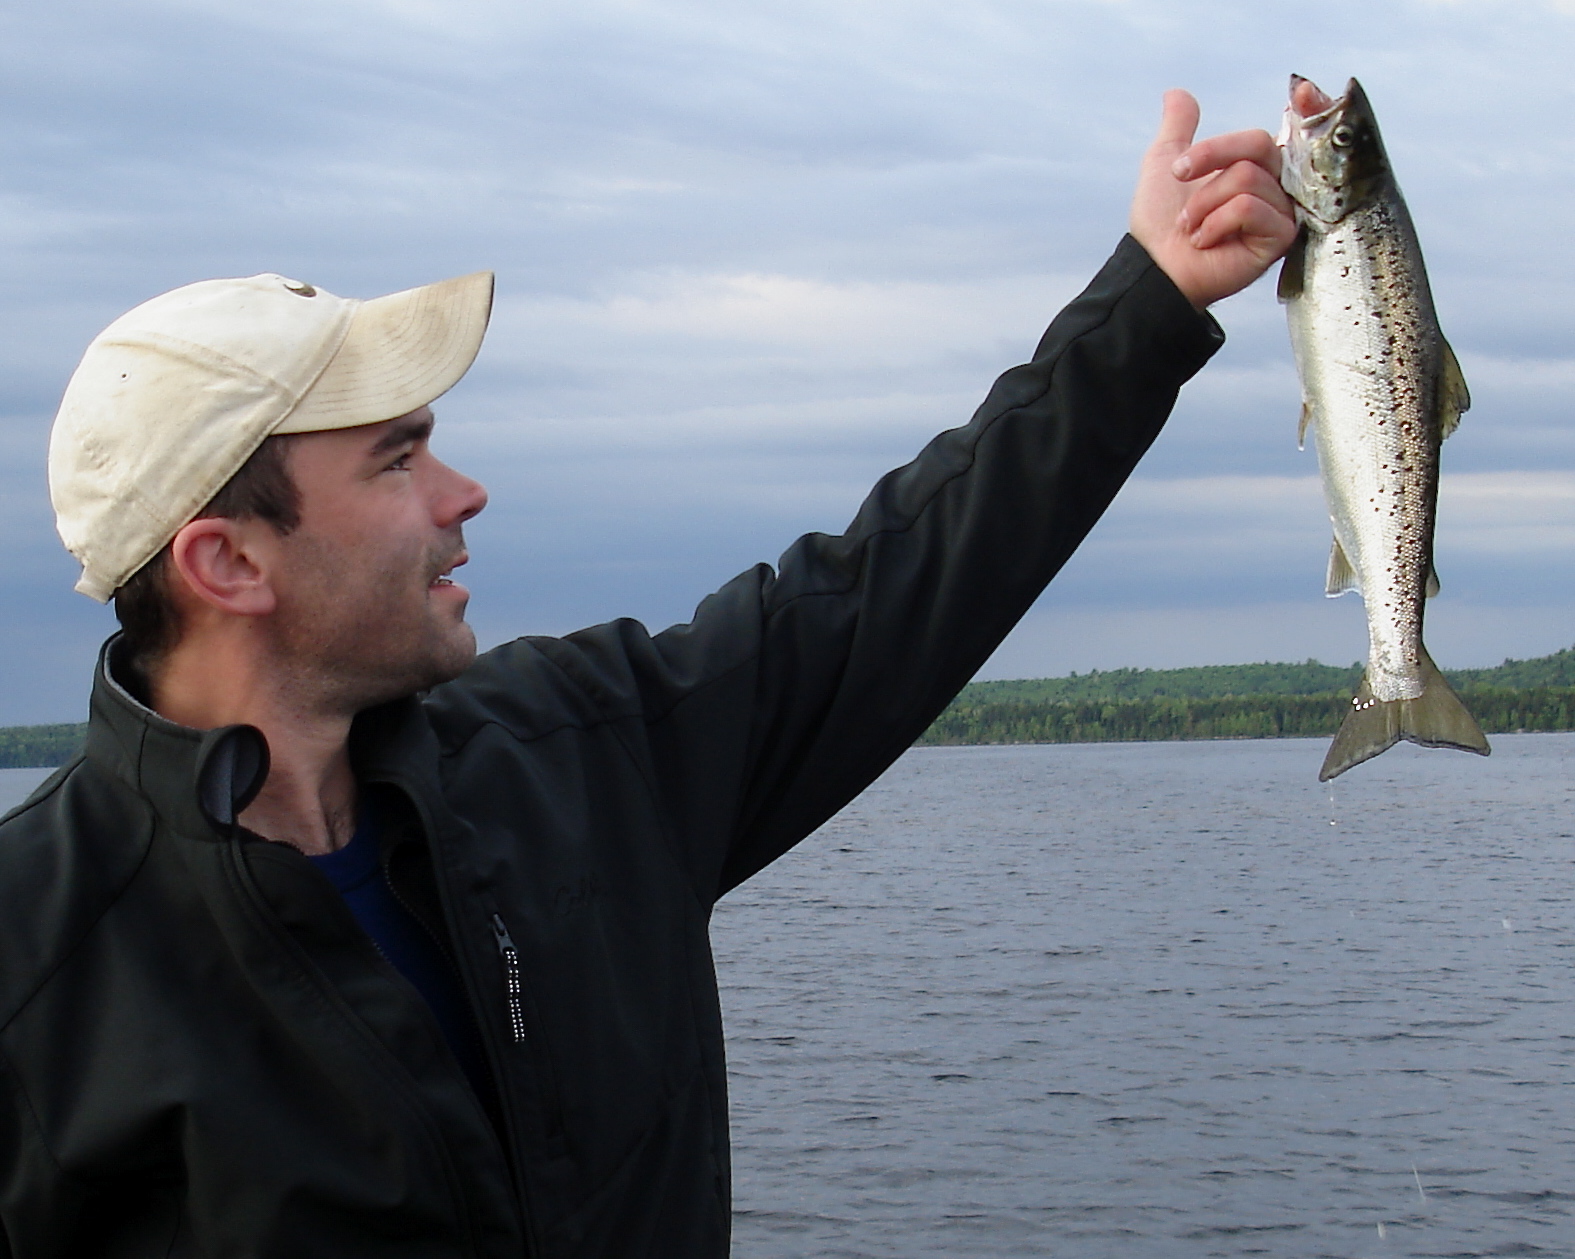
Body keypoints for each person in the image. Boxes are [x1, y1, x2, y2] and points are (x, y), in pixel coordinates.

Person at [0, 91, 1295, 1257]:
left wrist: (1153, 299)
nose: (466, 494)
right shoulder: (35, 956)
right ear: (227, 563)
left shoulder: (579, 750)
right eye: (398, 462)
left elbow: (893, 587)